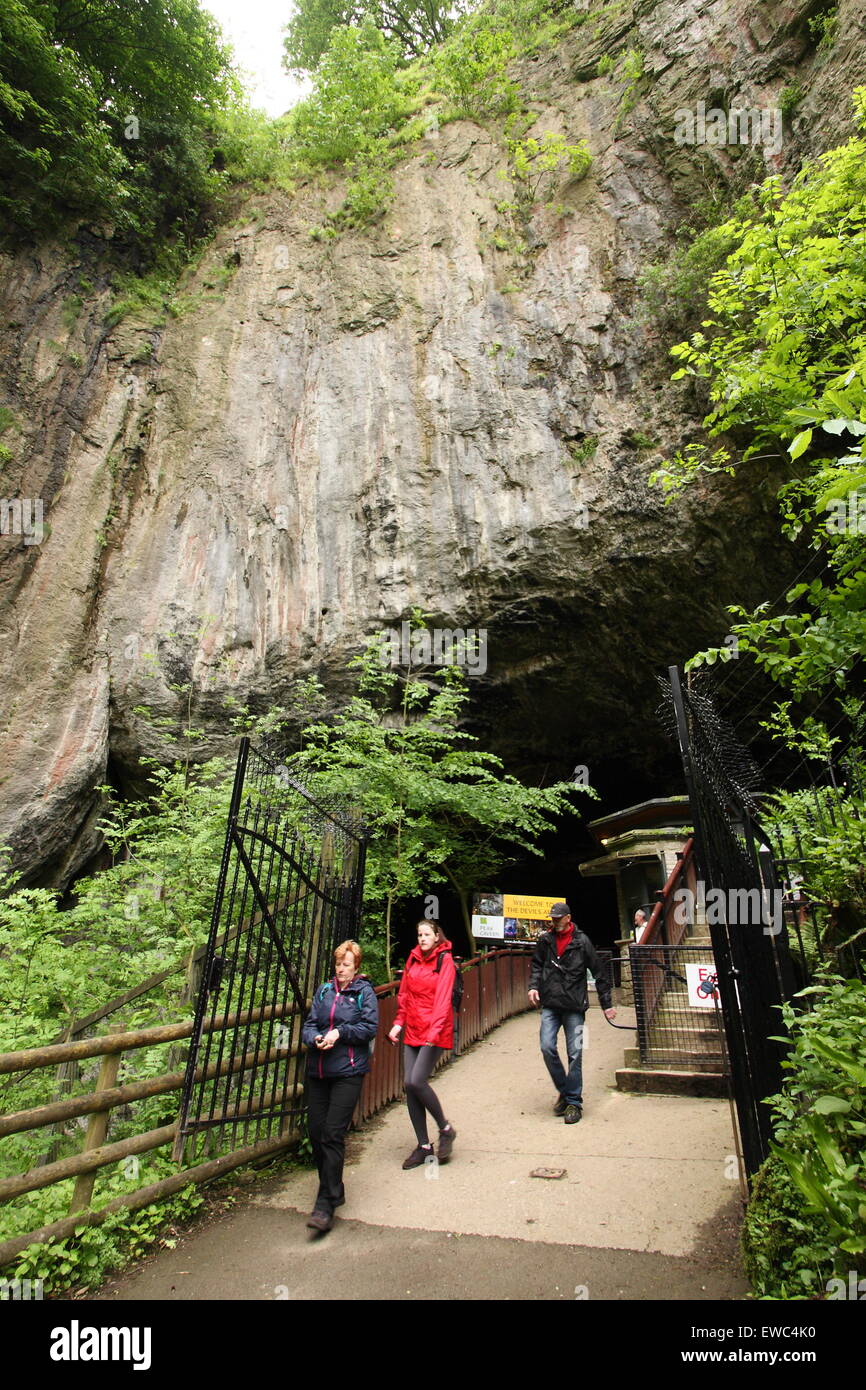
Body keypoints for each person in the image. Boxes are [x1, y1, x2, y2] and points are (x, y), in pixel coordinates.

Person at [301, 938, 379, 1232]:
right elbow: (310, 1024)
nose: (341, 969)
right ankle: (334, 1189)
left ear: (356, 966)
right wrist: (315, 1039)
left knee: (333, 1132)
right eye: (338, 964)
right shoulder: (324, 990)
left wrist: (339, 1033)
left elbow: (369, 1028)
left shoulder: (364, 992)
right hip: (319, 1069)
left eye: (347, 965)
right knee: (317, 1131)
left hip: (348, 1070)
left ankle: (325, 1203)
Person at [528, 902, 616, 1124]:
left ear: (569, 918)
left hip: (575, 1007)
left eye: (558, 918)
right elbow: (537, 965)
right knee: (547, 1047)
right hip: (550, 1004)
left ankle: (573, 1103)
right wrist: (533, 986)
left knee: (576, 1053)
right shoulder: (545, 941)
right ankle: (567, 1092)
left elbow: (599, 971)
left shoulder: (582, 941)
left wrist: (606, 1004)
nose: (555, 921)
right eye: (553, 918)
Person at [388, 919, 458, 1168]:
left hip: (434, 1031)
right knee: (410, 1085)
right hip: (414, 1029)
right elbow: (405, 993)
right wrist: (398, 1023)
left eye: (427, 934)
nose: (422, 938)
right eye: (419, 934)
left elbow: (442, 1000)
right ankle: (423, 1145)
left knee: (416, 1080)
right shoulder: (413, 959)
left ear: (437, 936)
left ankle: (445, 1128)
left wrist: (434, 1032)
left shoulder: (445, 960)